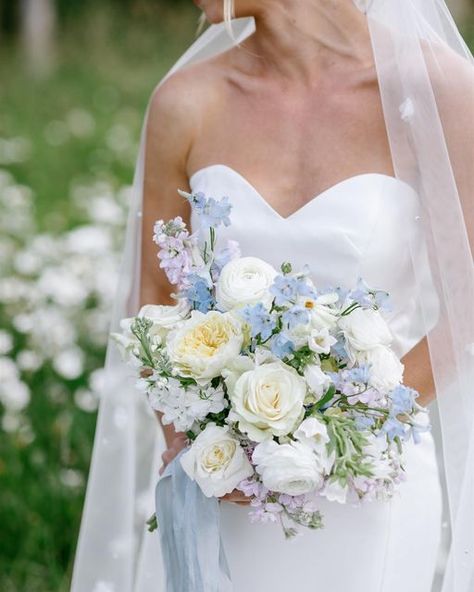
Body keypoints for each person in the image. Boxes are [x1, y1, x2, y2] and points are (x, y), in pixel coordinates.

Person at [70, 2, 474, 591]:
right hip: (223, 485)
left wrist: (342, 432)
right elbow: (155, 294)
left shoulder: (438, 90)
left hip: (370, 483)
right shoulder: (186, 100)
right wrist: (195, 442)